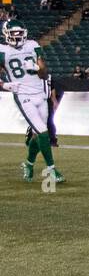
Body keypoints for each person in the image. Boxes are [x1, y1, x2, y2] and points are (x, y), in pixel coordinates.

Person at [1, 20, 64, 184]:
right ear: (6, 35)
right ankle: (51, 169)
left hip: (40, 94)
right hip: (23, 95)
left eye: (19, 33)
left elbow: (44, 74)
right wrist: (4, 84)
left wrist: (37, 68)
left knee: (37, 134)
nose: (17, 36)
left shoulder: (32, 45)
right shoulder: (3, 51)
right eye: (13, 34)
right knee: (43, 132)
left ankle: (28, 164)